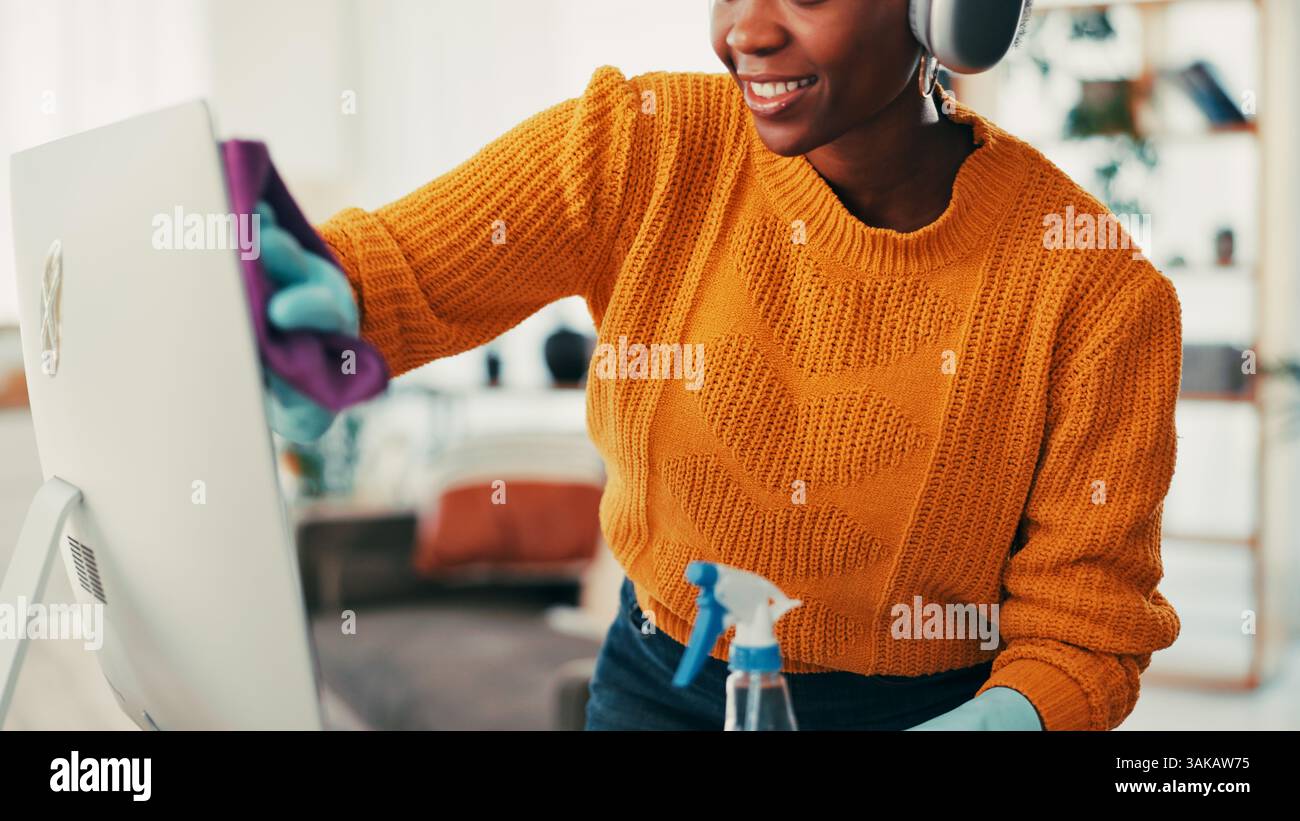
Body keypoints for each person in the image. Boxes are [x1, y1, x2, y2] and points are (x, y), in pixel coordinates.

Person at [258, 0, 1182, 730]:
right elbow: (401, 272)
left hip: (923, 709)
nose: (744, 30)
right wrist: (327, 311)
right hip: (658, 686)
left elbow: (1086, 622)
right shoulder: (644, 144)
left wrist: (1012, 718)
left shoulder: (1094, 291)